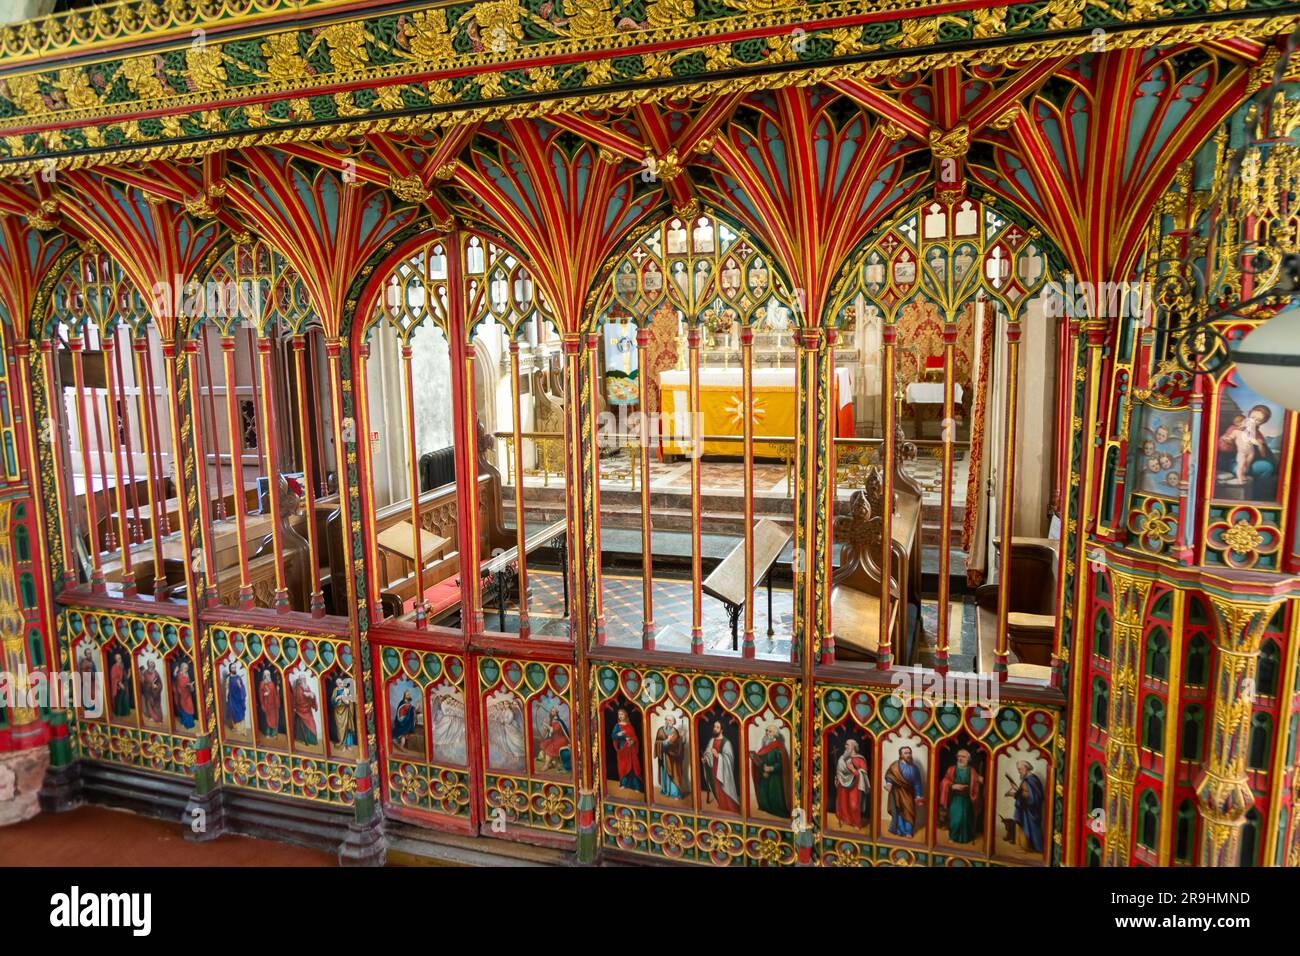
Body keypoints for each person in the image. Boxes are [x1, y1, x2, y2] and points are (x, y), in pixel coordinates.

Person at [940, 748, 984, 844]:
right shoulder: (951, 769)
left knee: (966, 818)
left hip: (967, 798)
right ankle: (953, 836)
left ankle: (966, 838)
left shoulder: (972, 770)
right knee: (956, 818)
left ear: (968, 759)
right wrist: (953, 786)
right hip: (955, 798)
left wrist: (980, 780)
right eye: (958, 756)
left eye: (963, 757)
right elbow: (944, 781)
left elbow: (978, 781)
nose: (960, 759)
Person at [750, 725, 790, 818]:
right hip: (764, 776)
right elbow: (761, 760)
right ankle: (765, 807)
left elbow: (782, 764)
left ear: (775, 734)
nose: (767, 733)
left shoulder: (779, 748)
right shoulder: (764, 747)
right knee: (764, 797)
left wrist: (771, 768)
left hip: (774, 778)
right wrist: (755, 758)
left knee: (774, 798)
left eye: (770, 731)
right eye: (766, 730)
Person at [701, 719, 741, 812]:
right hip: (713, 768)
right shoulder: (712, 740)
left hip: (722, 770)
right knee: (716, 787)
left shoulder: (726, 742)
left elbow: (729, 758)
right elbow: (707, 753)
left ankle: (728, 805)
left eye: (717, 727)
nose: (715, 729)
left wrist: (718, 755)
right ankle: (721, 803)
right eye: (714, 726)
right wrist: (705, 758)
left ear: (722, 730)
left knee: (723, 787)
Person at [884, 746, 924, 836]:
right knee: (898, 811)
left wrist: (918, 795)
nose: (908, 755)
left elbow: (917, 783)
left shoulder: (915, 768)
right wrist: (889, 784)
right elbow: (889, 775)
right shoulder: (895, 766)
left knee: (909, 811)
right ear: (901, 755)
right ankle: (900, 831)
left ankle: (908, 832)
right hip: (896, 792)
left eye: (909, 753)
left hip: (909, 793)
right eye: (906, 753)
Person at [1006, 760, 1044, 852]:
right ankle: (1024, 847)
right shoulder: (1027, 779)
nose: (1019, 771)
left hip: (1030, 810)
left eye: (1020, 769)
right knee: (1023, 827)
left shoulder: (1032, 780)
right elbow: (1023, 793)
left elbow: (1034, 797)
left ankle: (1029, 848)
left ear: (1026, 768)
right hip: (1025, 808)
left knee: (1029, 828)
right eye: (1018, 769)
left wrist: (1016, 794)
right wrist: (1016, 794)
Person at [834, 738, 870, 830]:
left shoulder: (860, 759)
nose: (845, 746)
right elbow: (839, 771)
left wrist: (853, 769)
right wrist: (837, 777)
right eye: (845, 744)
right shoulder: (842, 758)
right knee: (842, 803)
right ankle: (844, 819)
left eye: (847, 744)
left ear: (853, 746)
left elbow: (864, 773)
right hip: (842, 784)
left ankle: (856, 823)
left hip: (855, 785)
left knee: (853, 805)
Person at [653, 714, 686, 799]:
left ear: (674, 722)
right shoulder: (660, 730)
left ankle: (674, 793)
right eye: (667, 720)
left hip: (672, 758)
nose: (668, 722)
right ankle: (665, 790)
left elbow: (678, 746)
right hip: (663, 756)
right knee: (665, 773)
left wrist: (681, 737)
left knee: (674, 774)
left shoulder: (675, 731)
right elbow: (657, 743)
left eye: (670, 720)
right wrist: (666, 741)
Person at [611, 707, 643, 792]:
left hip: (631, 750)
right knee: (624, 767)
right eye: (619, 715)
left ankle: (636, 787)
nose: (620, 716)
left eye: (621, 714)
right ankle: (624, 784)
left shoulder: (630, 726)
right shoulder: (617, 726)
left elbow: (635, 738)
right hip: (623, 750)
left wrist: (633, 741)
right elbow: (613, 736)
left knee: (633, 768)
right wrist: (619, 734)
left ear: (625, 714)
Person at [537, 704, 571, 773]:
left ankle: (546, 765)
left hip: (561, 740)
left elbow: (553, 730)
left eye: (553, 711)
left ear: (556, 713)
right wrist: (545, 727)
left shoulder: (558, 722)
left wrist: (546, 725)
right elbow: (549, 731)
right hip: (554, 739)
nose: (551, 712)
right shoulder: (552, 720)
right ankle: (551, 763)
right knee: (544, 744)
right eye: (551, 711)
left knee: (550, 748)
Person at [291, 674, 319, 745]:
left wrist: (312, 695)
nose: (303, 680)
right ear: (299, 681)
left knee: (311, 724)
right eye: (302, 679)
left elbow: (311, 696)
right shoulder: (296, 689)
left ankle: (312, 740)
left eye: (304, 679)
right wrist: (304, 695)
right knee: (302, 726)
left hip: (307, 710)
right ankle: (302, 739)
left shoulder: (307, 687)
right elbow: (296, 699)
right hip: (300, 710)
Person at [331, 678, 356, 749]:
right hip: (338, 712)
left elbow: (351, 700)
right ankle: (342, 744)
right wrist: (338, 700)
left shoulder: (347, 690)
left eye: (341, 682)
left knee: (348, 727)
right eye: (339, 683)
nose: (341, 684)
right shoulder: (335, 691)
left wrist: (343, 698)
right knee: (340, 729)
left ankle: (348, 745)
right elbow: (333, 701)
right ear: (337, 684)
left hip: (346, 711)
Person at [172, 661, 196, 730]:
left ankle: (190, 724)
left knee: (189, 707)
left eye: (187, 668)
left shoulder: (187, 674)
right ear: (182, 668)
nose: (186, 669)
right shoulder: (179, 674)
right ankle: (185, 723)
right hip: (181, 694)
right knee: (183, 708)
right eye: (185, 668)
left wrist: (190, 686)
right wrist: (175, 672)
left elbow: (188, 683)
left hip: (187, 694)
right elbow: (177, 681)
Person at [258, 669, 282, 738]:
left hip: (273, 705)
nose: (267, 676)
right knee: (267, 720)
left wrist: (277, 691)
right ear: (264, 675)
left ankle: (274, 734)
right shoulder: (262, 684)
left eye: (268, 675)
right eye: (266, 675)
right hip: (266, 705)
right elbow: (260, 694)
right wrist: (264, 694)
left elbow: (274, 694)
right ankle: (268, 733)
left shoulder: (272, 684)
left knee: (274, 719)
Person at [139, 659, 163, 724]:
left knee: (156, 706)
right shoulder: (145, 673)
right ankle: (152, 717)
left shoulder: (156, 673)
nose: (152, 664)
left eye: (153, 663)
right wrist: (147, 684)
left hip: (155, 693)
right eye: (150, 663)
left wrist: (156, 686)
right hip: (148, 692)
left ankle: (159, 719)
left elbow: (160, 683)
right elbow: (143, 683)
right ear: (148, 664)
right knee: (149, 705)